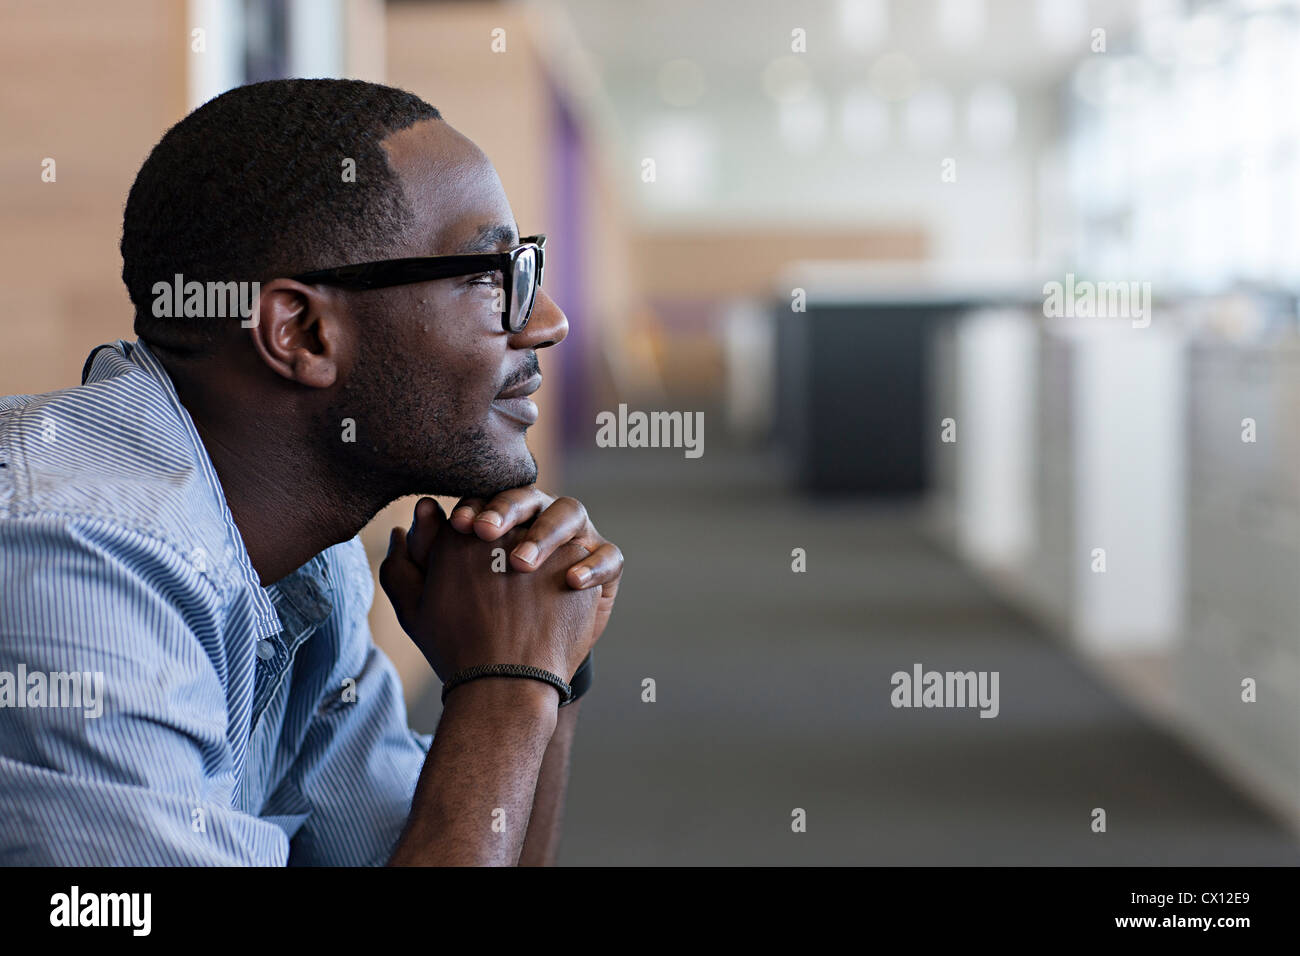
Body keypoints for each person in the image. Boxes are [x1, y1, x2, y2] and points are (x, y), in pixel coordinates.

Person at [0, 78, 623, 866]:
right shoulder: (74, 565)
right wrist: (510, 680)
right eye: (488, 278)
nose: (548, 322)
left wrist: (545, 659)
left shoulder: (307, 563)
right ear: (302, 332)